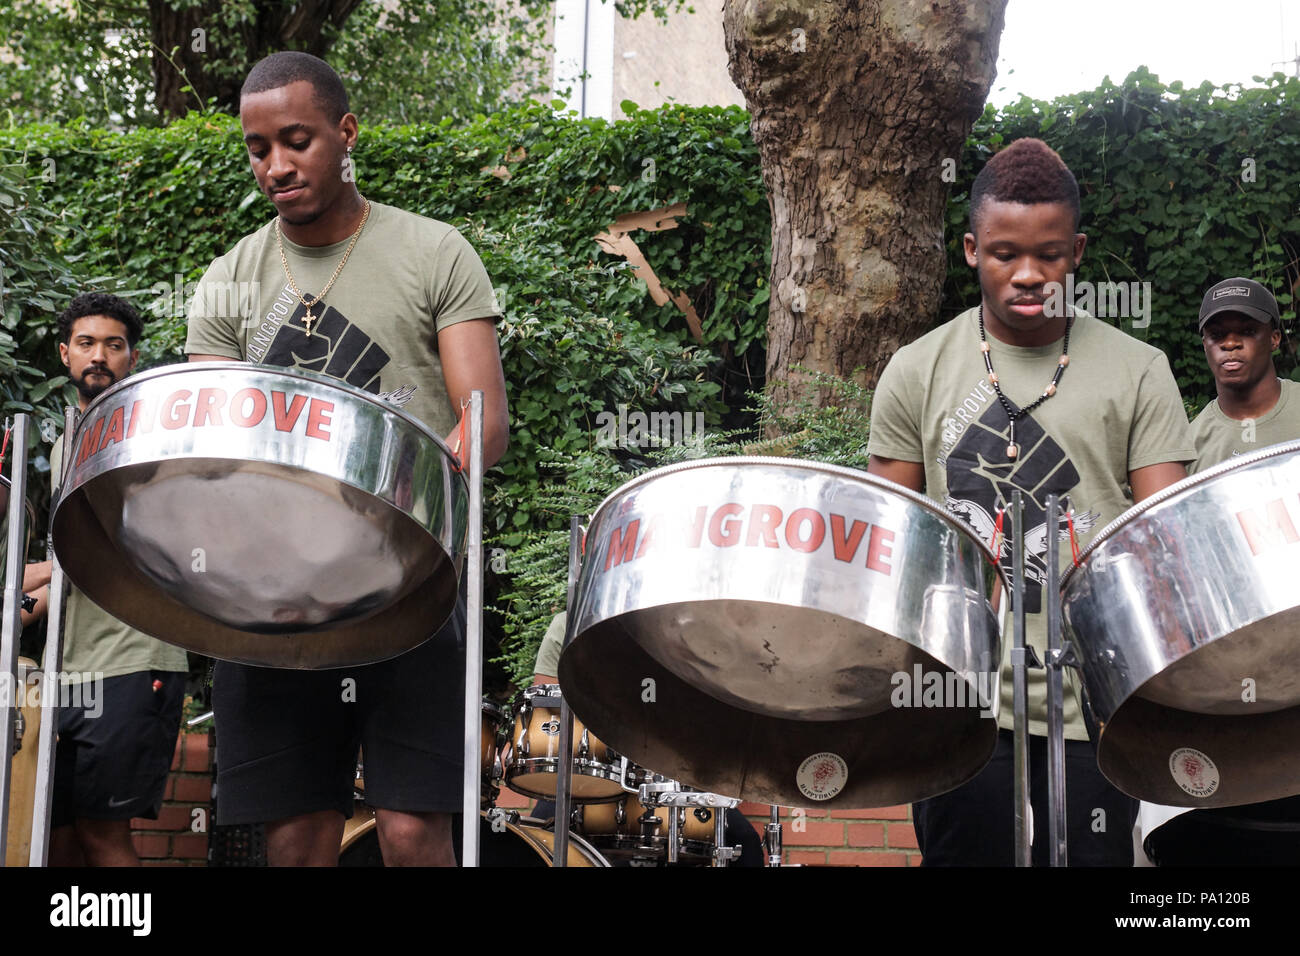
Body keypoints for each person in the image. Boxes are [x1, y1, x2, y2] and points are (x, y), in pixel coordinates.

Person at [185, 52, 509, 866]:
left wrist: (413, 523)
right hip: (273, 598)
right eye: (259, 149)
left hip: (411, 583)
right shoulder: (228, 282)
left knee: (412, 828)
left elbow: (485, 421)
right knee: (296, 835)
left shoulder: (434, 252)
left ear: (346, 131)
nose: (277, 165)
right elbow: (213, 453)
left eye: (297, 140)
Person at [866, 138, 1195, 866]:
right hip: (961, 710)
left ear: (1075, 251)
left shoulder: (1139, 371)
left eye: (1048, 254)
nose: (1026, 273)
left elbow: (1159, 546)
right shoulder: (916, 370)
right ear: (970, 247)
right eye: (1003, 252)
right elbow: (891, 553)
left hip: (1097, 712)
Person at [1139, 276, 1300, 865]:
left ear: (1274, 339)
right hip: (1235, 657)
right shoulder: (1186, 445)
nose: (1230, 345)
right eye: (1218, 335)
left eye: (1246, 332)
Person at [27, 292, 190, 866]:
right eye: (88, 343)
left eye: (113, 346)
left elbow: (141, 546)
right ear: (66, 354)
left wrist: (43, 570)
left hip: (133, 659)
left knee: (102, 836)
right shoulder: (66, 439)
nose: (99, 356)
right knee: (56, 837)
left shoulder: (151, 432)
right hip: (68, 667)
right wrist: (27, 599)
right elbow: (70, 567)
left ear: (132, 358)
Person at [528, 611, 765, 866]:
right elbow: (547, 707)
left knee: (744, 842)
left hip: (673, 776)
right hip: (589, 775)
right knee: (538, 839)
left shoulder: (686, 622)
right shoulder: (570, 623)